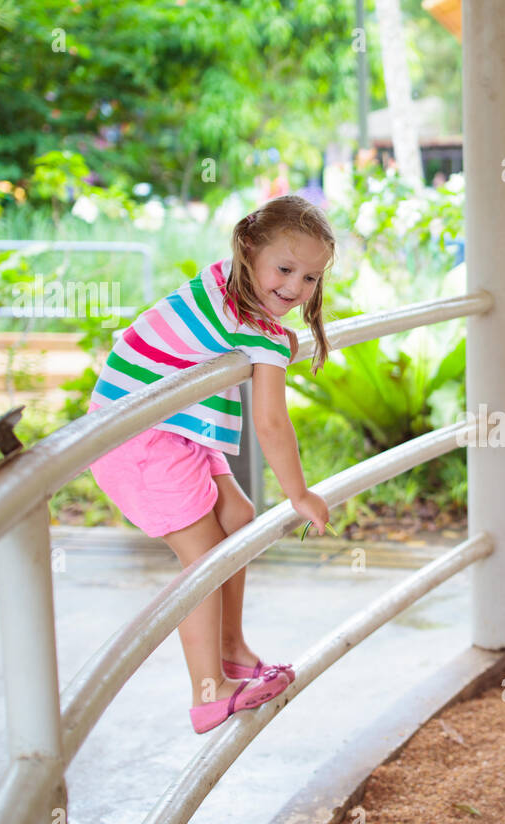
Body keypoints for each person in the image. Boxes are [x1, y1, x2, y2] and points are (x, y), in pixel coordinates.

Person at [86, 195, 334, 733]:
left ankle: (232, 650)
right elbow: (271, 424)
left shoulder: (226, 281)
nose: (295, 289)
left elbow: (248, 331)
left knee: (236, 518)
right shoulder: (258, 331)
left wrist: (278, 335)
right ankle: (207, 692)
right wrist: (300, 494)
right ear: (248, 250)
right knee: (202, 555)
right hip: (137, 441)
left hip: (159, 427)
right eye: (285, 269)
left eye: (311, 278)